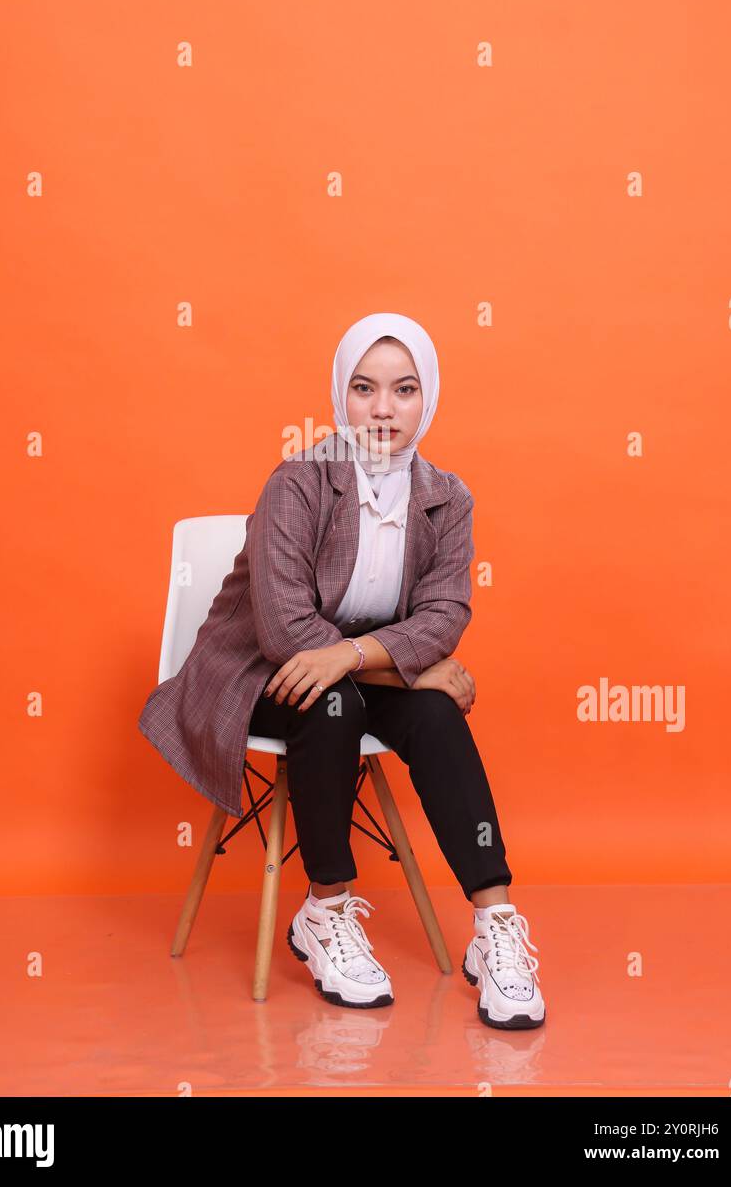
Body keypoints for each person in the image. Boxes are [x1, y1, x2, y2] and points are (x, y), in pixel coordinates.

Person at [138, 311, 545, 1029]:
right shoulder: (298, 482)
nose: (383, 409)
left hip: (355, 668)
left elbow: (445, 615)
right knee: (333, 703)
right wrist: (408, 668)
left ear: (428, 397)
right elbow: (283, 631)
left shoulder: (447, 497)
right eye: (364, 388)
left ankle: (495, 925)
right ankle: (324, 910)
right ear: (340, 394)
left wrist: (359, 658)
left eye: (404, 389)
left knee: (434, 713)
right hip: (256, 672)